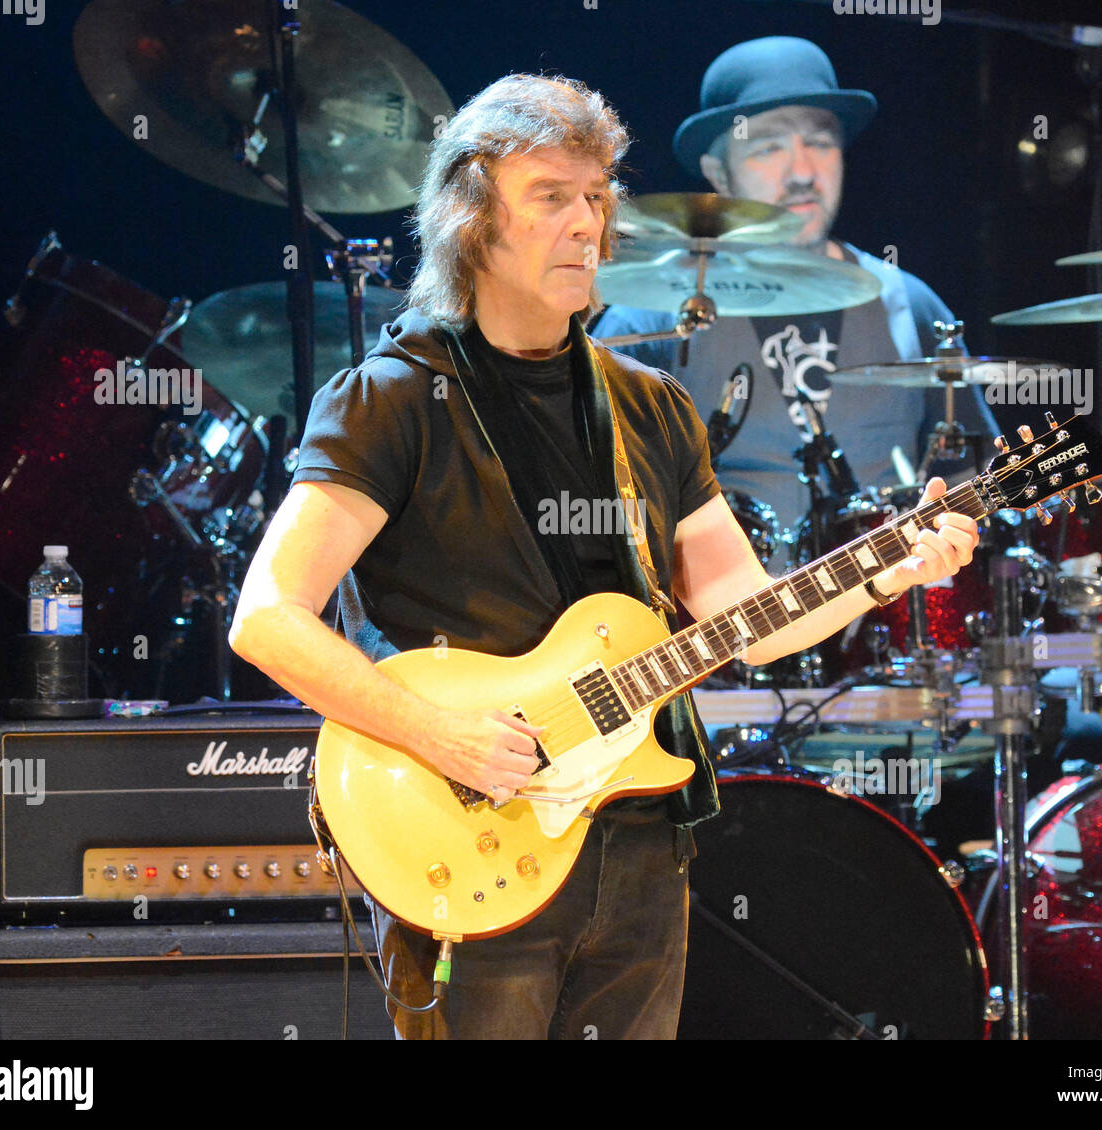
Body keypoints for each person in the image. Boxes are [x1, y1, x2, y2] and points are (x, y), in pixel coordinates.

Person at [228, 73, 979, 1040]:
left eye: (596, 196)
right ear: (470, 216)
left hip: (635, 839)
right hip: (472, 826)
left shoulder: (649, 405)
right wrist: (435, 734)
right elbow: (267, 618)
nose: (587, 224)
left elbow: (745, 614)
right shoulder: (393, 399)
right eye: (551, 198)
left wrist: (890, 569)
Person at [594, 37, 998, 562]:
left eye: (821, 142)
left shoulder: (910, 302)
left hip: (884, 630)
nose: (804, 171)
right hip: (716, 632)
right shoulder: (654, 315)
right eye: (768, 147)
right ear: (718, 174)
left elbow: (973, 475)